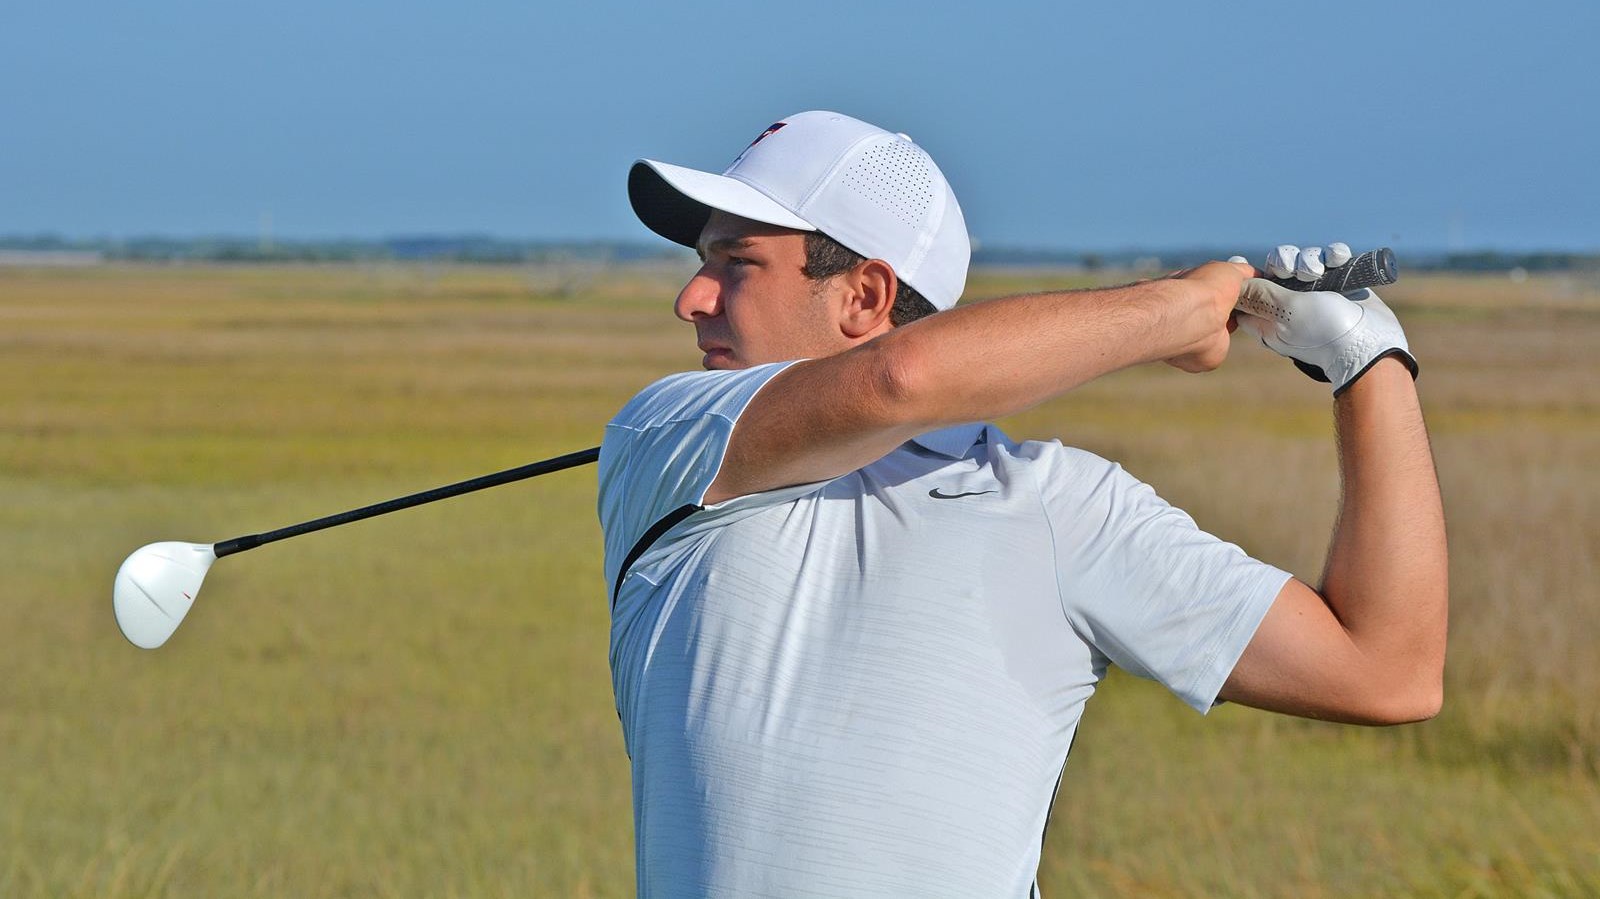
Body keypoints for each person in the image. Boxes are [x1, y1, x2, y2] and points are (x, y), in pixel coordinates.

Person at [598, 110, 1446, 897]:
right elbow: (902, 379)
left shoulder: (1059, 507)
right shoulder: (663, 439)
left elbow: (1386, 670)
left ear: (864, 296)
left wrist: (1368, 362)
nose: (691, 298)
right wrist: (1177, 310)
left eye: (734, 261)